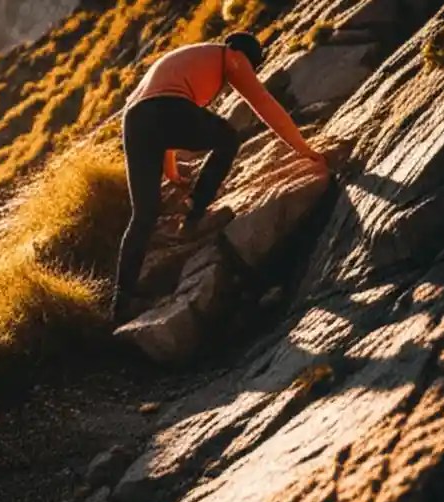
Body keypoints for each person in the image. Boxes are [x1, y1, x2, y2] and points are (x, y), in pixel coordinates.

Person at [112, 31, 327, 322]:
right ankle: (195, 211)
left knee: (143, 214)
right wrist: (304, 149)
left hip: (134, 120)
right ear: (240, 54)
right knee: (227, 138)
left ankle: (121, 302)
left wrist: (173, 174)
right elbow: (263, 103)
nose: (245, 77)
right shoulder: (232, 57)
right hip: (163, 109)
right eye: (252, 67)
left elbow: (159, 118)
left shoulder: (188, 60)